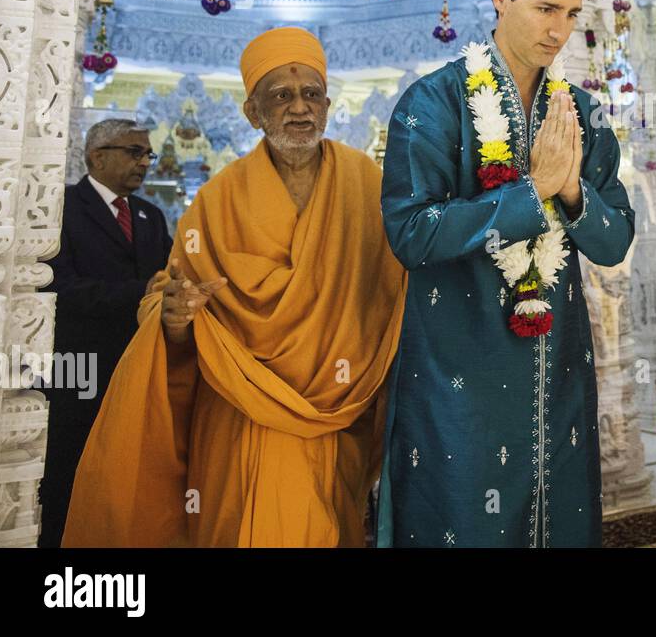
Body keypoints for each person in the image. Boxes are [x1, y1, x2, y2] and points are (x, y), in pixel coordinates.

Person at [63, 27, 406, 546]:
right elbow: (175, 309)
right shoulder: (216, 202)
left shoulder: (369, 187)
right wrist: (175, 321)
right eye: (281, 96)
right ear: (253, 113)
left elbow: (396, 296)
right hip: (239, 411)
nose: (299, 108)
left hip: (335, 415)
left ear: (329, 105)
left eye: (311, 94)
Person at [376, 0, 634, 548]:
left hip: (558, 368)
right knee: (463, 522)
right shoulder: (433, 103)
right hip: (460, 367)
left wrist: (570, 192)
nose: (559, 30)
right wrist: (529, 193)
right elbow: (410, 233)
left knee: (560, 518)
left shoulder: (581, 113)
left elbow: (615, 239)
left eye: (571, 14)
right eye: (545, 8)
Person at [38, 120, 171, 547]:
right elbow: (57, 286)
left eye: (147, 154)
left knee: (124, 470)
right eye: (135, 152)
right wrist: (139, 292)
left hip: (134, 364)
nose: (145, 162)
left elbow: (167, 275)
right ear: (97, 156)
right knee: (69, 471)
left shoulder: (150, 217)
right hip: (76, 365)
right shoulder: (63, 207)